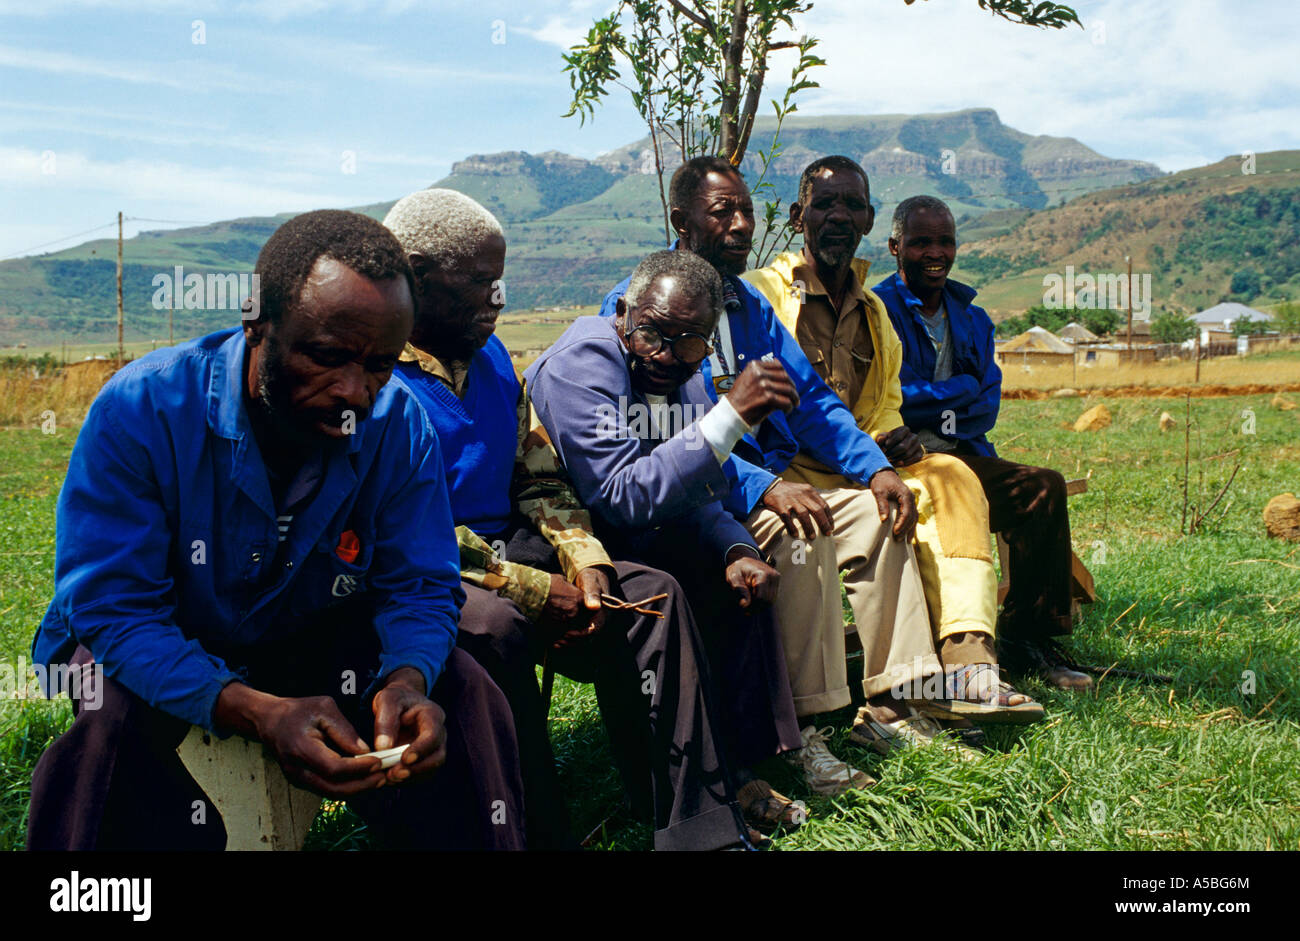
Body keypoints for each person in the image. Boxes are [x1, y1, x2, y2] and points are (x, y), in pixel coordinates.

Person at [27, 209, 526, 851]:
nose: (354, 391)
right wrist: (256, 710)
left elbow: (421, 587)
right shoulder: (143, 410)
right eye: (325, 356)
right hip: (160, 635)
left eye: (379, 364)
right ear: (257, 323)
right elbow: (115, 612)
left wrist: (407, 679)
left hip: (299, 628)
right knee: (109, 718)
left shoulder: (396, 423)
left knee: (462, 690)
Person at [382, 189, 770, 851]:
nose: (495, 299)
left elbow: (536, 474)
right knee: (498, 627)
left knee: (651, 594)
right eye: (479, 282)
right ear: (417, 277)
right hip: (426, 566)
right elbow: (405, 529)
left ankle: (694, 826)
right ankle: (536, 833)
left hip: (508, 544)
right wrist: (530, 590)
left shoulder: (494, 360)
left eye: (500, 282)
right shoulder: (379, 380)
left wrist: (583, 557)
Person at [599, 158, 995, 786]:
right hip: (702, 497)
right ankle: (802, 732)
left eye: (745, 211)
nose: (739, 226)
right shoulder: (650, 304)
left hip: (768, 479)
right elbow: (671, 441)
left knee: (875, 513)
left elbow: (810, 400)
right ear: (679, 220)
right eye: (720, 211)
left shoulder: (747, 303)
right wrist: (766, 486)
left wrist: (873, 468)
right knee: (805, 530)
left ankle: (895, 703)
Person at [744, 156, 1044, 725]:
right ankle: (869, 694)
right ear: (796, 215)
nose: (839, 216)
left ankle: (967, 657)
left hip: (860, 459)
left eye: (852, 205)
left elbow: (883, 400)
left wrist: (887, 434)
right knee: (866, 514)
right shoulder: (762, 292)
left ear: (869, 220)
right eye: (825, 204)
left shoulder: (875, 310)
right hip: (783, 469)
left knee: (952, 476)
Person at [525, 250, 810, 828]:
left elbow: (696, 493)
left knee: (740, 582)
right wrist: (729, 417)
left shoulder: (682, 379)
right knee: (662, 594)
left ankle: (743, 764)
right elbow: (621, 495)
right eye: (651, 330)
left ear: (708, 342)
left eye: (687, 342)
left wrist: (737, 549)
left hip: (635, 533)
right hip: (573, 545)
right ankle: (682, 793)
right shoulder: (581, 365)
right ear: (625, 312)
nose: (663, 353)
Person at [874, 194, 1092, 690]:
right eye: (922, 241)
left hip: (965, 455)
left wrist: (947, 401)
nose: (936, 253)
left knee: (1043, 488)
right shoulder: (877, 310)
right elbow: (892, 399)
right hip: (898, 465)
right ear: (894, 246)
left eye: (946, 241)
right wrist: (963, 387)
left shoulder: (971, 315)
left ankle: (1029, 638)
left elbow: (987, 405)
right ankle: (955, 650)